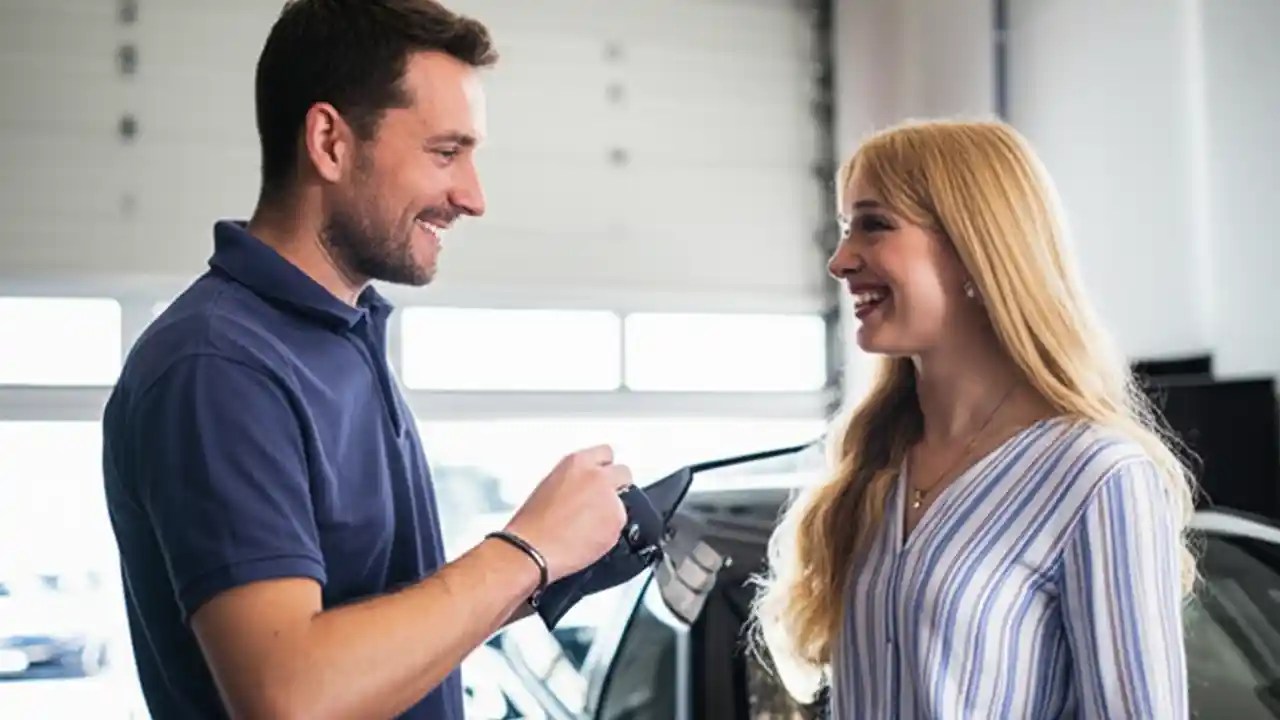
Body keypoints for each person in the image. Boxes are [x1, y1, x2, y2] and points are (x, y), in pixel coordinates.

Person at [101, 2, 632, 718]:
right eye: (446, 153)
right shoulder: (218, 365)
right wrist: (522, 551)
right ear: (329, 142)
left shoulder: (343, 336)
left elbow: (373, 632)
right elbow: (290, 693)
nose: (472, 198)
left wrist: (548, 567)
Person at [750, 119, 1197, 718]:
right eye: (843, 229)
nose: (839, 261)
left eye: (874, 225)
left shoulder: (1097, 476)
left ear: (973, 249)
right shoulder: (873, 466)